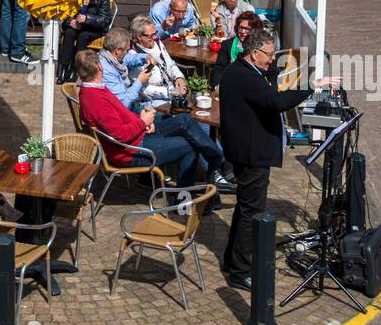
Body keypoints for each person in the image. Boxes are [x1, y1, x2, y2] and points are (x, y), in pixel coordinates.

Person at [219, 26, 310, 289]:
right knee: (251, 213)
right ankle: (240, 271)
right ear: (254, 52)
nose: (272, 59)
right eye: (269, 54)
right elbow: (276, 102)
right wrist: (310, 88)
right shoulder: (245, 77)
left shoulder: (246, 71)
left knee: (244, 209)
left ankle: (232, 260)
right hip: (251, 155)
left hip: (247, 151)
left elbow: (270, 80)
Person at [123, 16, 235, 190]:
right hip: (155, 104)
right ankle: (216, 168)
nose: (154, 38)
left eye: (155, 35)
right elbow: (143, 90)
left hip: (172, 97)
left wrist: (180, 78)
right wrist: (170, 92)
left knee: (201, 118)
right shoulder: (134, 56)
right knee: (195, 121)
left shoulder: (158, 44)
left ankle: (216, 166)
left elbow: (171, 64)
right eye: (150, 36)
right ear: (139, 38)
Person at [76, 48, 198, 186]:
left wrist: (143, 121)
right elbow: (121, 135)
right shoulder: (96, 98)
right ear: (99, 66)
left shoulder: (94, 89)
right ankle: (182, 199)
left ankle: (215, 160)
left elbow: (122, 113)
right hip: (130, 152)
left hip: (135, 139)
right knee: (190, 145)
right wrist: (142, 121)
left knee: (183, 120)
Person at [57, 0, 112, 82]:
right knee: (69, 32)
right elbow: (65, 14)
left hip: (94, 29)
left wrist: (87, 19)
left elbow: (105, 21)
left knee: (83, 36)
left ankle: (75, 69)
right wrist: (69, 21)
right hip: (78, 26)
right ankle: (63, 69)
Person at [212, 11, 263, 86]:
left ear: (255, 30)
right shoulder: (227, 45)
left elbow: (270, 72)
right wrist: (218, 86)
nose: (242, 31)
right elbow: (219, 70)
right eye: (241, 27)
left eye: (247, 29)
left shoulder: (261, 47)